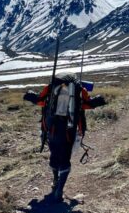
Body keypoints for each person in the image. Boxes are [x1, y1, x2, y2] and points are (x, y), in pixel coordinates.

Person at [23, 73, 107, 202]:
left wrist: (29, 94)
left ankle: (55, 181)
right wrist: (100, 99)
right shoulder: (79, 89)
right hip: (69, 129)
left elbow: (40, 100)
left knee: (54, 154)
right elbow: (88, 104)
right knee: (65, 157)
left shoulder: (51, 87)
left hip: (51, 128)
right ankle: (60, 189)